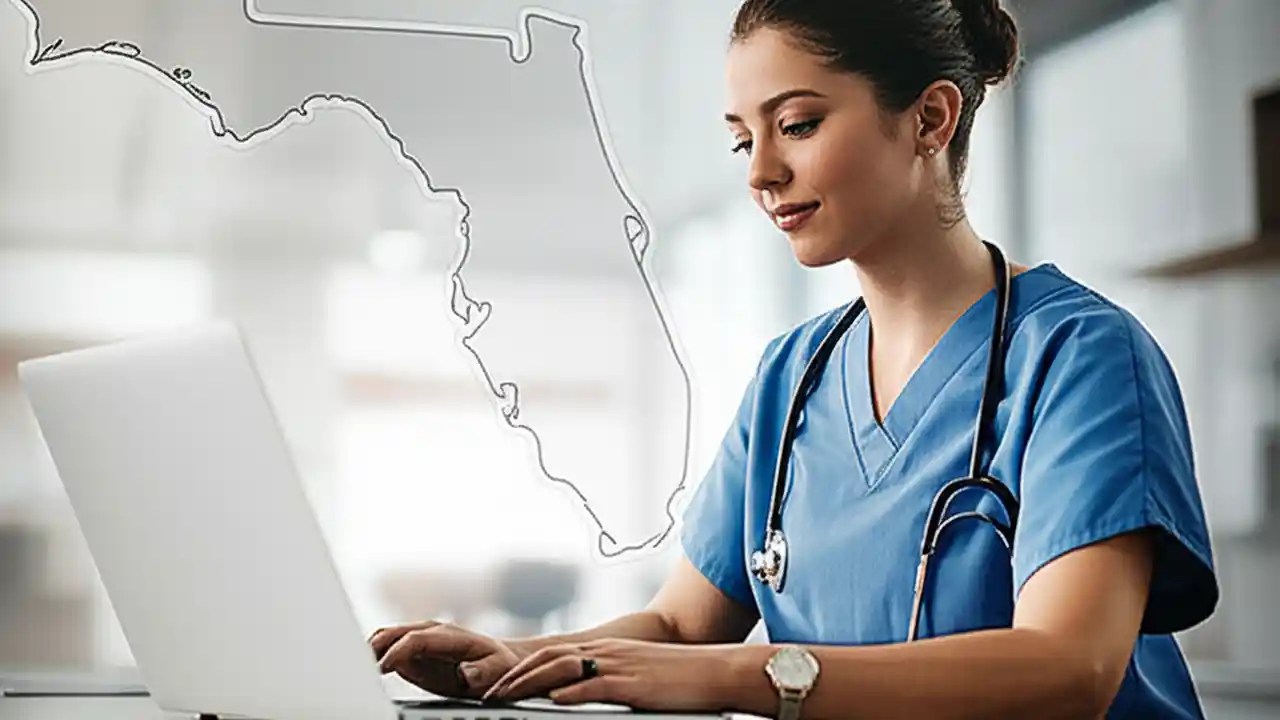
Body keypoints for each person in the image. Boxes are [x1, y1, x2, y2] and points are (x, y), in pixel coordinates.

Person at [369, 0, 1219, 717]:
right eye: (744, 141)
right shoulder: (793, 376)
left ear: (930, 118)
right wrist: (509, 660)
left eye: (798, 124)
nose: (763, 173)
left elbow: (1069, 669)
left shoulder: (1080, 356)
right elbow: (678, 630)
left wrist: (756, 674)